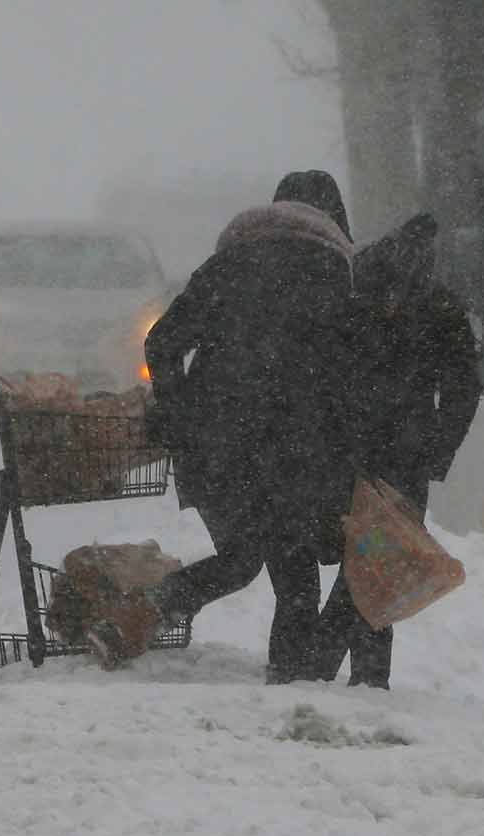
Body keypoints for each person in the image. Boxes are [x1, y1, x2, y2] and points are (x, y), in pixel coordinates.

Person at [143, 170, 365, 683]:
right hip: (294, 447)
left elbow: (162, 342)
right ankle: (289, 677)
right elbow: (349, 372)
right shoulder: (333, 274)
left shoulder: (225, 266)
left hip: (217, 445)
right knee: (295, 571)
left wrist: (180, 416)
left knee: (243, 555)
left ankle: (147, 608)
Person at [311, 212, 482, 688]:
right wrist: (437, 447)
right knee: (381, 561)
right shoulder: (439, 306)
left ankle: (348, 672)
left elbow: (322, 373)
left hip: (349, 449)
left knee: (366, 560)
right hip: (404, 453)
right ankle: (342, 669)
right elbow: (464, 386)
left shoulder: (351, 299)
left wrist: (328, 431)